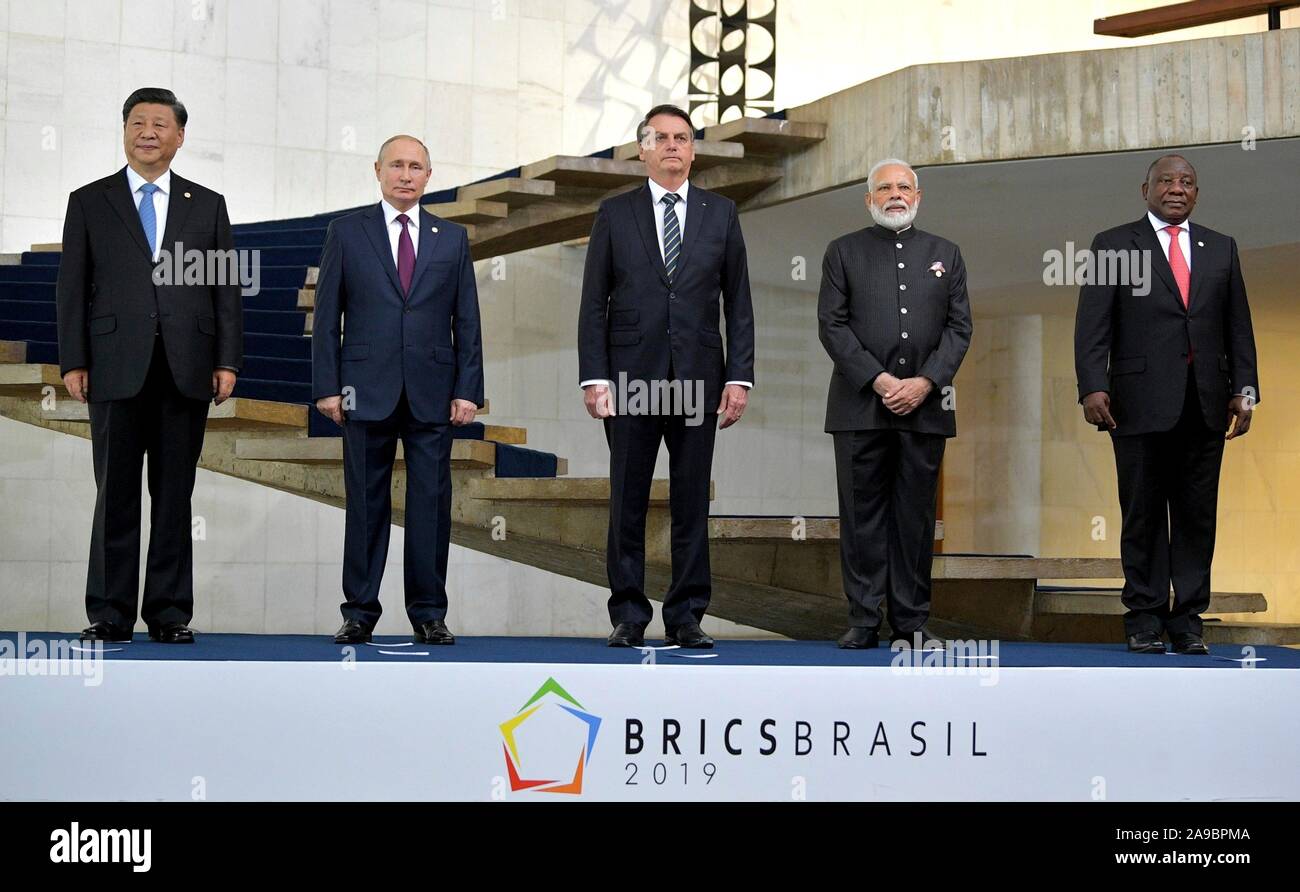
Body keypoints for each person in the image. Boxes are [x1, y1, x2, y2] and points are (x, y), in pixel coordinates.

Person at [57, 87, 242, 645]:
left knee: (173, 494)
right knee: (114, 492)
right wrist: (74, 361)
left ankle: (168, 613)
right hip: (113, 365)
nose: (148, 133)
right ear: (124, 132)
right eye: (138, 122)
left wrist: (227, 359)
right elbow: (72, 289)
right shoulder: (90, 201)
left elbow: (225, 288)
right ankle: (110, 614)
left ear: (179, 137)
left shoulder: (206, 204)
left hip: (186, 367)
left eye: (161, 124)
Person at [577, 104, 756, 649]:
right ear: (643, 149)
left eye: (683, 138)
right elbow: (593, 304)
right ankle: (628, 613)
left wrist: (739, 377)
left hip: (700, 379)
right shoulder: (615, 212)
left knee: (690, 502)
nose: (673, 146)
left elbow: (739, 301)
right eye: (662, 138)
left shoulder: (721, 212)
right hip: (631, 379)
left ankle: (685, 615)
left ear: (694, 150)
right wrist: (595, 378)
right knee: (627, 499)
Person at [1074, 154, 1259, 655]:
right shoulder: (1113, 244)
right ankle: (1144, 618)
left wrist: (1246, 389)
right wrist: (1092, 386)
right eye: (1166, 180)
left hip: (1206, 404)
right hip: (1135, 405)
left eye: (1187, 182)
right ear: (1145, 189)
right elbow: (1094, 323)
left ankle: (1188, 621)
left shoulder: (1221, 248)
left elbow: (1237, 326)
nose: (1177, 188)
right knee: (1143, 513)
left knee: (1198, 515)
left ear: (1196, 193)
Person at [312, 135, 484, 645]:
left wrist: (468, 388)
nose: (406, 175)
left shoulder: (451, 238)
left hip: (434, 392)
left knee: (431, 506)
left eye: (416, 167)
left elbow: (468, 320)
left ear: (429, 176)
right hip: (363, 390)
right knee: (366, 505)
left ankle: (429, 612)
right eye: (396, 166)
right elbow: (326, 317)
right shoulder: (346, 232)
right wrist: (327, 387)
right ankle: (360, 611)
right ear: (378, 170)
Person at [817, 159, 972, 650]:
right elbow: (832, 327)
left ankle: (910, 623)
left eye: (904, 186)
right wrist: (882, 381)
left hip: (925, 408)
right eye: (884, 188)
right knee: (861, 517)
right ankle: (864, 619)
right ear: (869, 199)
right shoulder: (842, 251)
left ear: (919, 196)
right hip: (860, 407)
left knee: (915, 519)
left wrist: (925, 381)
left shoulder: (946, 252)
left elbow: (959, 328)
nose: (895, 194)